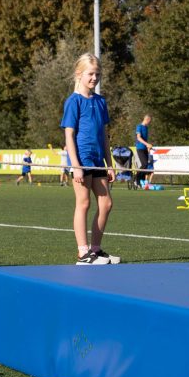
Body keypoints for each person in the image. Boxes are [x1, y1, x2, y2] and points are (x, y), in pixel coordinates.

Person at [60, 53, 120, 266]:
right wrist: (75, 166)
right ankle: (83, 253)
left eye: (98, 74)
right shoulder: (73, 101)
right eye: (90, 74)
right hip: (82, 159)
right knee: (83, 203)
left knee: (106, 203)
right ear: (79, 74)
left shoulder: (101, 101)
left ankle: (95, 250)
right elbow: (69, 135)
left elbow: (104, 135)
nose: (94, 78)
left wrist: (109, 163)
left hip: (97, 160)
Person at [134, 114, 153, 190]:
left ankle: (140, 181)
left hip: (145, 148)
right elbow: (139, 138)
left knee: (146, 165)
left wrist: (148, 147)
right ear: (147, 119)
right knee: (144, 164)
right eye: (149, 121)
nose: (149, 123)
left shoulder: (146, 128)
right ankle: (136, 179)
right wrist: (147, 144)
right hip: (140, 148)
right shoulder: (139, 126)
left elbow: (145, 139)